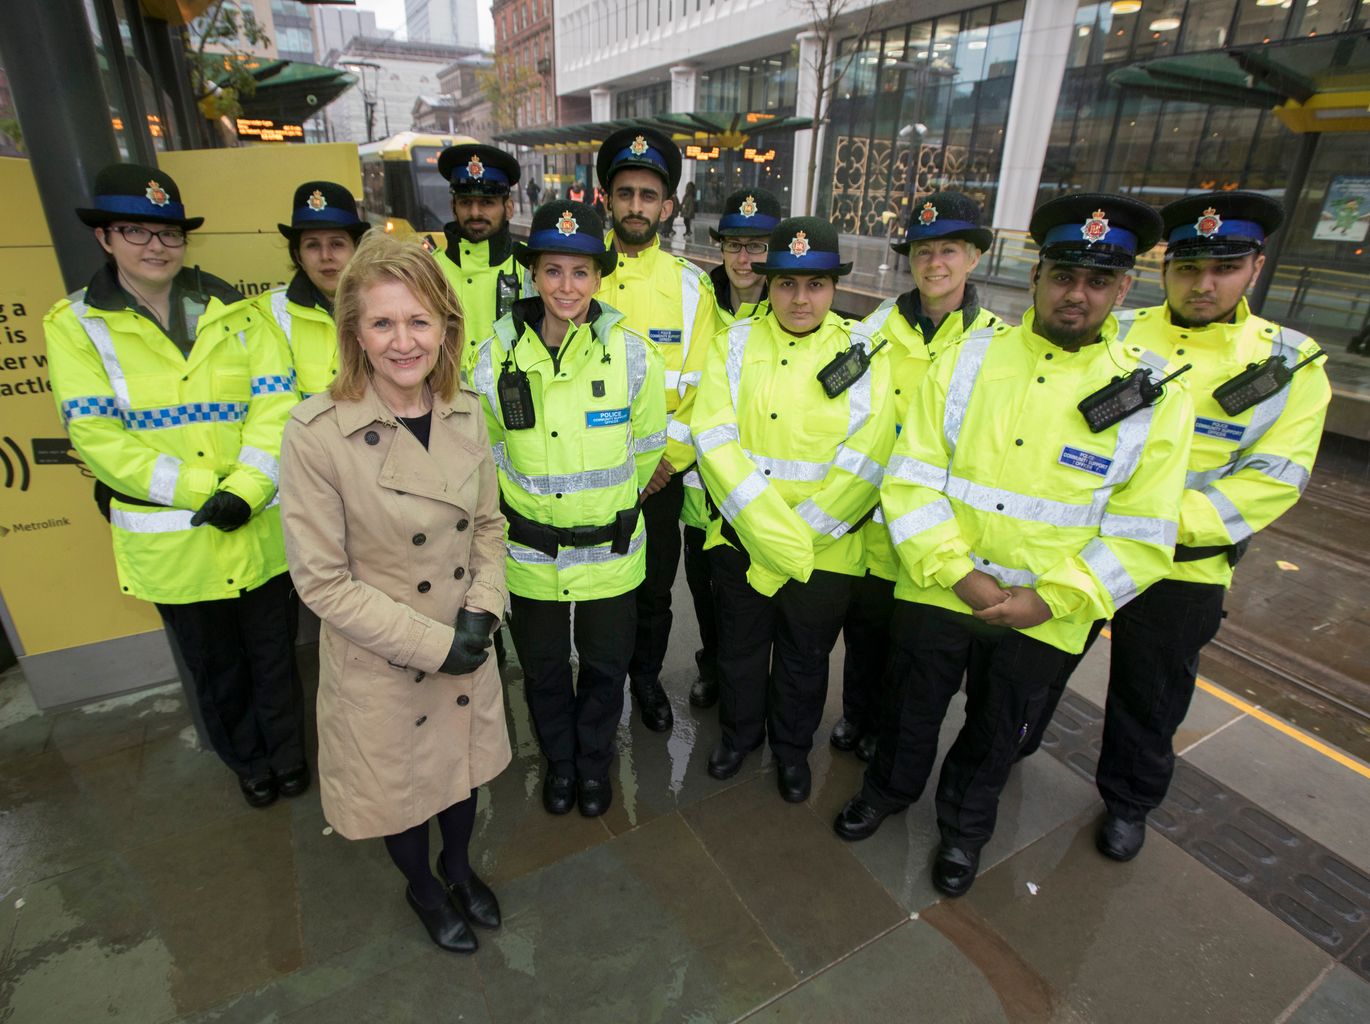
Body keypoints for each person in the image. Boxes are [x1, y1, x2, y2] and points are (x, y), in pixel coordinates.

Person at [832, 194, 1195, 899]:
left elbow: (1145, 531)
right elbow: (911, 477)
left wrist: (1050, 600)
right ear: (1036, 279)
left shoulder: (1154, 396)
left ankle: (965, 829)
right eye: (1063, 275)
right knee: (908, 706)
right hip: (940, 587)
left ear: (1124, 289)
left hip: (1045, 612)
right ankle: (888, 791)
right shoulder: (969, 357)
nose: (1076, 294)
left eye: (1097, 281)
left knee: (999, 732)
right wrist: (959, 573)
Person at [1021, 191, 1331, 863]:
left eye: (1223, 268)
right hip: (1081, 549)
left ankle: (1129, 800)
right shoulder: (1117, 328)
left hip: (1184, 566)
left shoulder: (1289, 362)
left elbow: (1271, 481)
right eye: (1190, 269)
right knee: (1040, 662)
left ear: (1255, 267)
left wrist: (1148, 529)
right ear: (1164, 271)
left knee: (1151, 693)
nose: (1204, 283)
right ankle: (1014, 741)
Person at [46, 163, 306, 808]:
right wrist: (197, 488)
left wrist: (246, 486)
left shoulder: (238, 313)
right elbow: (97, 435)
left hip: (256, 523)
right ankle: (249, 763)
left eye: (168, 231)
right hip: (176, 538)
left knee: (275, 655)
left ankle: (290, 753)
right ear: (105, 238)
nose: (156, 245)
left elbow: (276, 405)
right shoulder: (76, 325)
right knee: (215, 667)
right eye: (136, 230)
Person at [279, 232, 510, 954]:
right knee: (406, 795)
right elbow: (322, 581)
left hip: (464, 641)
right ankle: (423, 887)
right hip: (387, 659)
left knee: (462, 778)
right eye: (383, 323)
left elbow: (490, 527)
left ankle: (460, 868)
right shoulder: (317, 434)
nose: (404, 341)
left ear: (446, 324)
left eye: (419, 320)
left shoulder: (467, 410)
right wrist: (439, 645)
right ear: (355, 332)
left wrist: (482, 612)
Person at [470, 201, 666, 818]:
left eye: (580, 273)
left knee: (607, 668)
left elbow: (646, 450)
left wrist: (605, 505)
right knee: (546, 670)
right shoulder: (493, 357)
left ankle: (593, 761)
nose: (566, 287)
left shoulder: (634, 356)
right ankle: (560, 762)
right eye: (553, 271)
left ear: (599, 279)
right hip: (532, 554)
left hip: (611, 551)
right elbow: (486, 452)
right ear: (533, 275)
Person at [692, 217, 896, 802]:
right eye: (786, 284)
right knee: (741, 651)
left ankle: (791, 750)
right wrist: (770, 538)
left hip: (825, 550)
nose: (799, 298)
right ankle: (738, 737)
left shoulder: (862, 354)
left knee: (806, 663)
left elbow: (866, 463)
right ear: (769, 284)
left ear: (834, 289)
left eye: (814, 284)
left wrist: (787, 543)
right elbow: (713, 439)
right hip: (743, 544)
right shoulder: (733, 344)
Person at [832, 192, 1001, 763]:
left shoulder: (997, 345)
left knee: (915, 651)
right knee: (865, 636)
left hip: (938, 532)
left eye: (949, 250)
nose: (935, 264)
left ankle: (885, 728)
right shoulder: (874, 329)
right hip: (872, 525)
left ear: (974, 257)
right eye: (923, 251)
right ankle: (856, 715)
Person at [595, 125, 719, 732]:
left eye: (648, 195)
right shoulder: (575, 277)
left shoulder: (693, 289)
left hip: (661, 478)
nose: (636, 206)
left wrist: (660, 464)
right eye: (625, 193)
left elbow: (704, 391)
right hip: (584, 472)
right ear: (607, 200)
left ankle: (644, 680)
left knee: (653, 592)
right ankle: (599, 684)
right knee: (595, 588)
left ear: (667, 207)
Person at [684, 187, 780, 710]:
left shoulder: (788, 308)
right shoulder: (697, 298)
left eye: (757, 246)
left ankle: (748, 680)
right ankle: (713, 665)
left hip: (760, 492)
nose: (744, 258)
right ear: (720, 249)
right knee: (705, 592)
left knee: (756, 596)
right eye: (734, 246)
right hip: (700, 493)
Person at [258, 180, 369, 398]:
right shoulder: (269, 312)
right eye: (312, 245)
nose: (325, 256)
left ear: (356, 250)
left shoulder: (385, 304)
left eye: (337, 244)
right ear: (298, 255)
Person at [433, 143, 528, 379]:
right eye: (466, 202)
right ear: (453, 207)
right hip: (447, 409)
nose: (475, 213)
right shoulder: (428, 271)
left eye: (487, 202)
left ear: (508, 208)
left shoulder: (531, 266)